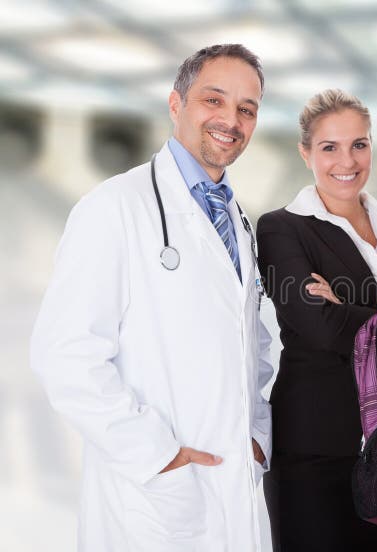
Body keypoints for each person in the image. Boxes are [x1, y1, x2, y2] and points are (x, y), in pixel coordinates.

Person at [30, 44, 274, 551]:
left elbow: (253, 345)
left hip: (232, 490)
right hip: (153, 502)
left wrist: (256, 438)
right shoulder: (114, 208)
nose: (231, 119)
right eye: (214, 100)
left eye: (246, 109)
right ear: (175, 104)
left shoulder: (237, 221)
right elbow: (66, 357)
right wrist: (157, 456)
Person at [256, 88, 377, 551]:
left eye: (359, 144)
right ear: (305, 153)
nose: (346, 160)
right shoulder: (281, 228)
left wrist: (345, 308)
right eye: (329, 147)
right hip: (316, 449)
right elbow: (319, 327)